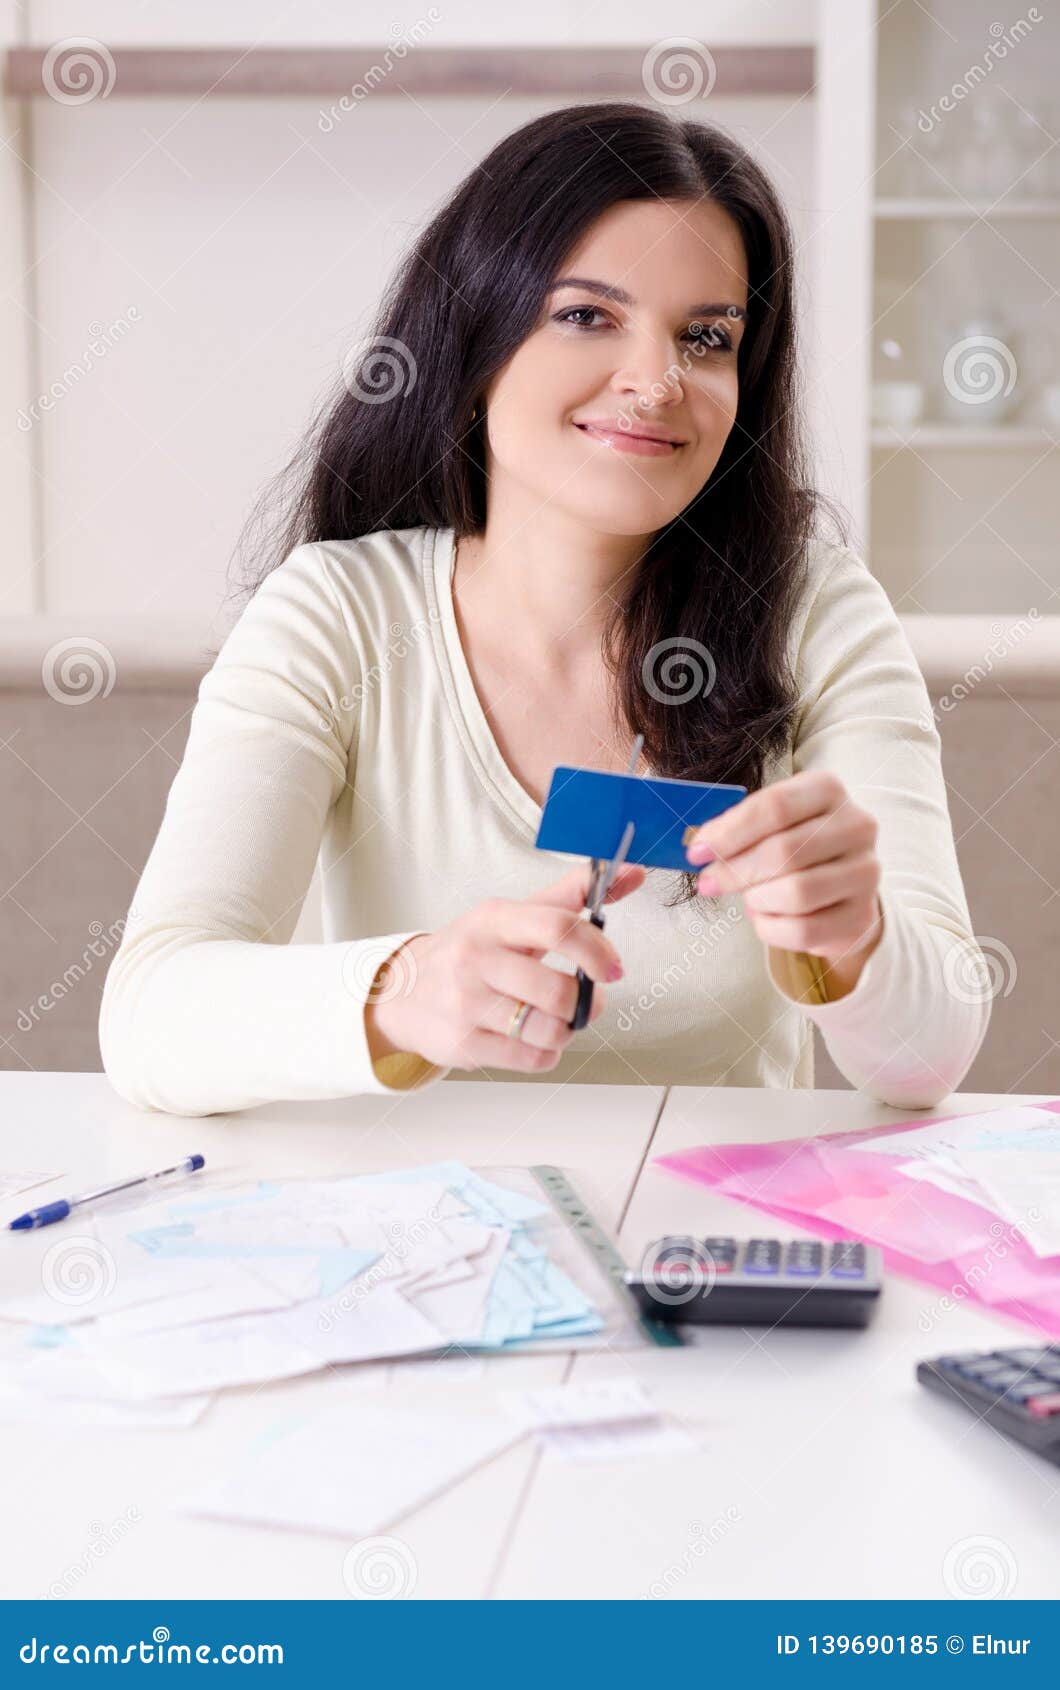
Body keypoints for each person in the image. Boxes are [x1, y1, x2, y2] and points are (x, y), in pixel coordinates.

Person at [98, 102, 990, 1117]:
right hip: (409, 1244)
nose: (656, 382)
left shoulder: (814, 610)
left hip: (700, 1241)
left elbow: (930, 1057)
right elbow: (148, 1016)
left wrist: (855, 938)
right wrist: (407, 991)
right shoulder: (336, 614)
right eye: (585, 315)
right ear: (474, 343)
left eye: (705, 338)